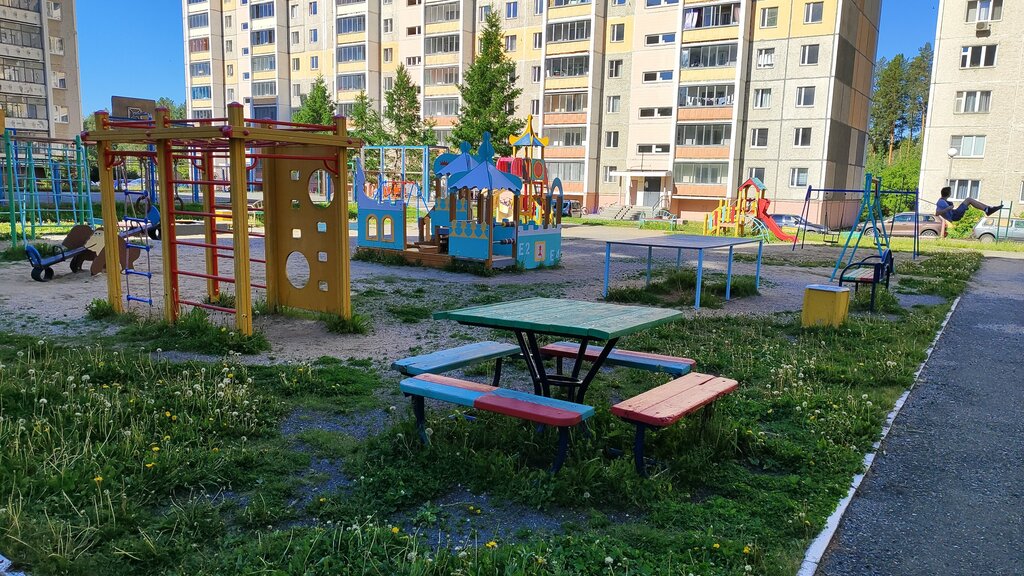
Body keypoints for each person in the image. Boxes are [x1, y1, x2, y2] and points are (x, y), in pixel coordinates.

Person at [935, 186, 1002, 222]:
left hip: (954, 214)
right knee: (969, 199)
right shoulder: (941, 202)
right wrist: (948, 208)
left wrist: (949, 207)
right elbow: (937, 213)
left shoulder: (944, 201)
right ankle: (987, 209)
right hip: (954, 215)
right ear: (949, 194)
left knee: (969, 200)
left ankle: (988, 209)